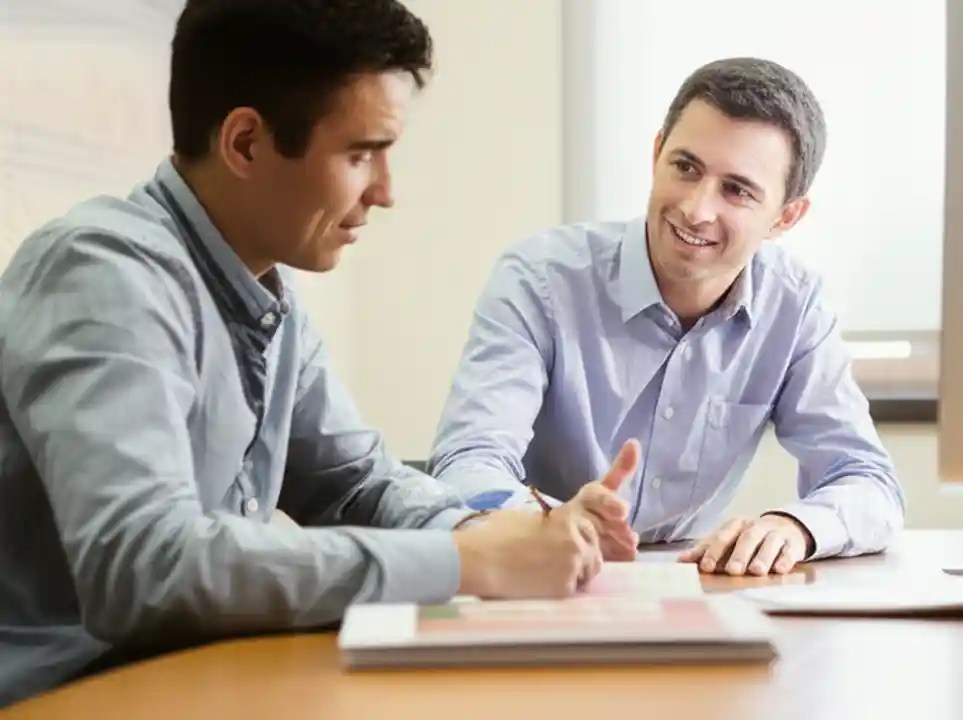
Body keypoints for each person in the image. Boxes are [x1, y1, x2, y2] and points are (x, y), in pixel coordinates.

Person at [0, 0, 630, 707]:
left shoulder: (265, 294)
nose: (387, 192)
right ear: (244, 143)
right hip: (60, 697)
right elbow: (142, 567)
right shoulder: (101, 273)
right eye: (361, 154)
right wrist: (463, 561)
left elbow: (356, 483)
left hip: (186, 683)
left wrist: (496, 531)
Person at [429, 57, 905, 579]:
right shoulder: (539, 280)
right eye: (686, 168)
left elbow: (867, 481)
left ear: (785, 217)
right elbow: (468, 461)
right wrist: (543, 523)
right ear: (657, 154)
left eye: (737, 190)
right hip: (537, 579)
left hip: (689, 587)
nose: (697, 209)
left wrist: (796, 526)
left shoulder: (795, 306)